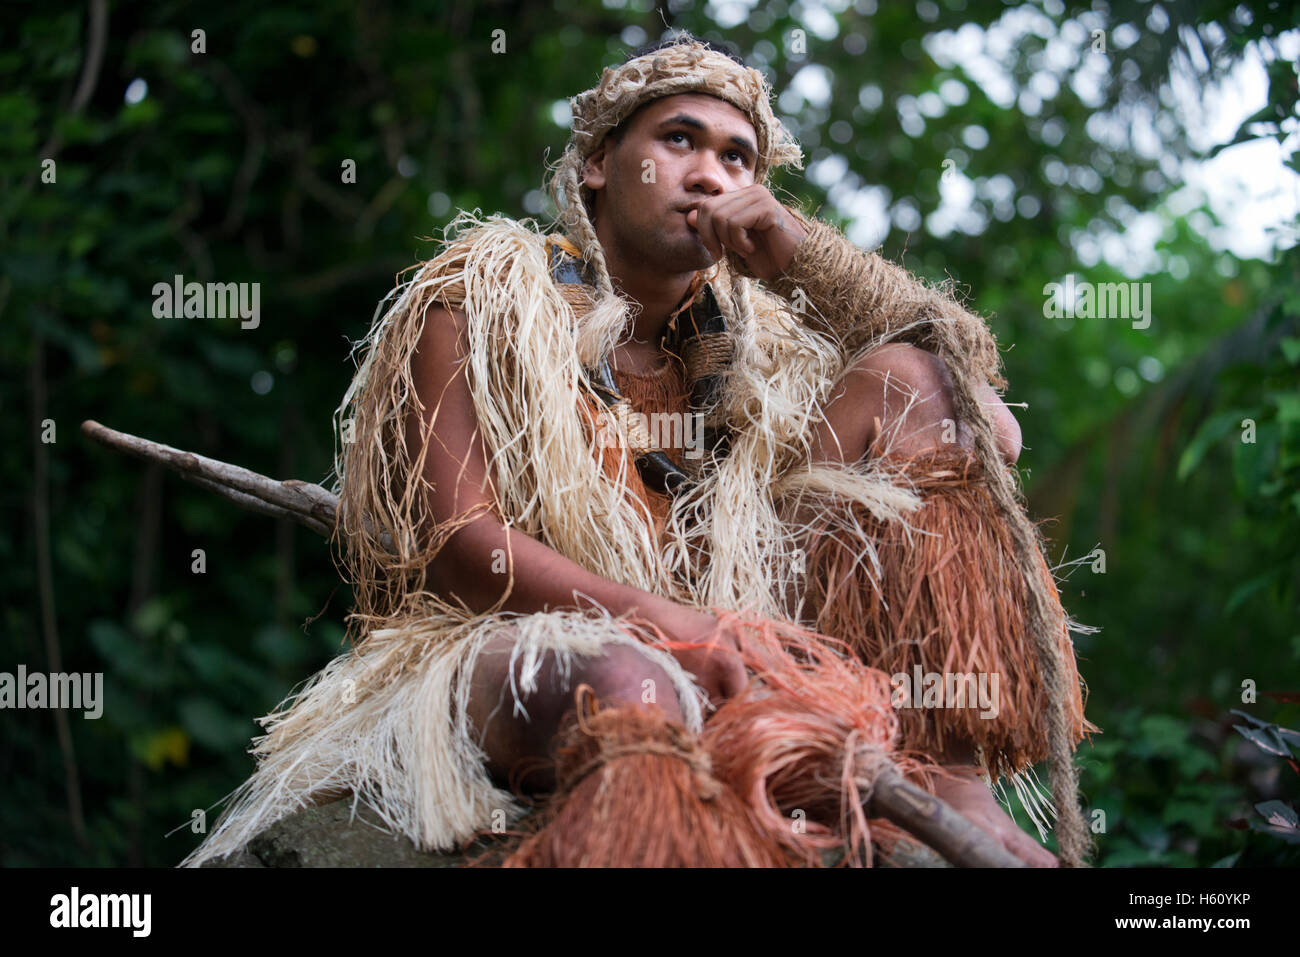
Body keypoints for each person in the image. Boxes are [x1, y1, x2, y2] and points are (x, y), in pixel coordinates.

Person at [180, 33, 1093, 869]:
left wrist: (799, 257)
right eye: (680, 140)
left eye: (737, 157)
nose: (709, 174)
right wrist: (673, 625)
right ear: (595, 167)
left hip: (747, 626)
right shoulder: (481, 294)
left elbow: (983, 413)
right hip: (507, 641)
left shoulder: (764, 340)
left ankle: (950, 782)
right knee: (632, 683)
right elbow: (460, 546)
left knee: (914, 378)